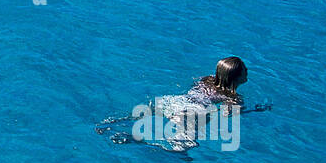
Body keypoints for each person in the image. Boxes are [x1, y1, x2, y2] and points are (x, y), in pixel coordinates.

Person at [96, 56, 269, 152]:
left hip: (174, 101)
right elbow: (227, 114)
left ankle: (113, 123)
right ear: (237, 77)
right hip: (193, 112)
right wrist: (254, 110)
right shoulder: (234, 97)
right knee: (182, 147)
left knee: (142, 114)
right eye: (245, 70)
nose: (248, 71)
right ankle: (135, 140)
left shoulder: (206, 79)